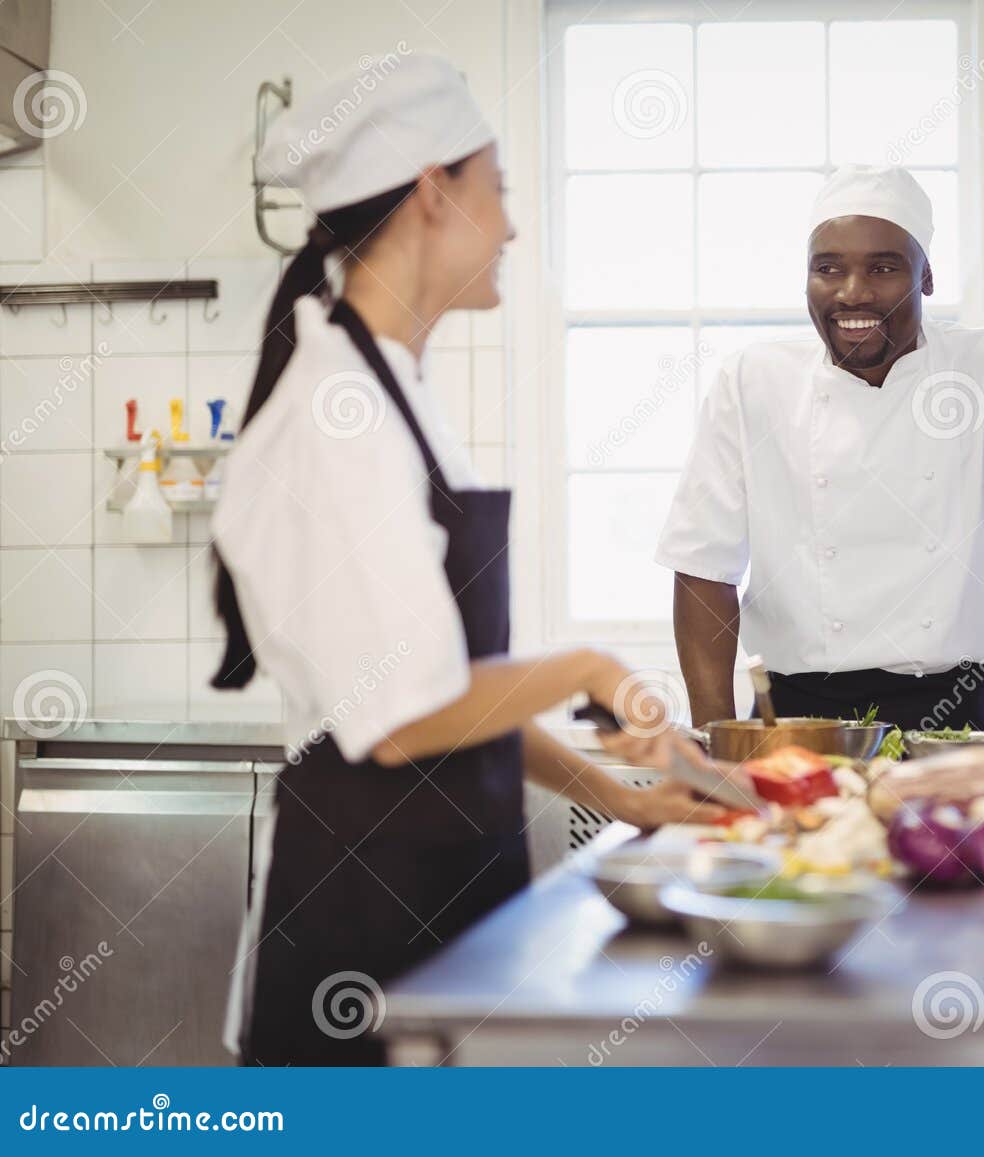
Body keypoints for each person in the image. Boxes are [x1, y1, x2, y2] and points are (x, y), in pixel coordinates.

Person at [212, 55, 721, 1066]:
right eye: (500, 191)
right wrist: (585, 666)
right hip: (367, 925)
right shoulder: (338, 414)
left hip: (440, 899)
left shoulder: (393, 391)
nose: (515, 228)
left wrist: (619, 796)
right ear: (433, 193)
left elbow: (451, 689)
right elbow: (403, 712)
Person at [657, 165, 984, 773]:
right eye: (827, 267)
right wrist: (712, 737)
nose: (852, 292)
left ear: (926, 276)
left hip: (952, 722)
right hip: (793, 725)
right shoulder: (752, 383)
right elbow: (703, 565)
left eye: (883, 267)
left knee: (952, 866)